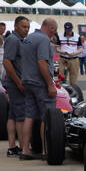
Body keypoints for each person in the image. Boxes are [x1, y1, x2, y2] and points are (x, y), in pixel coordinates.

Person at [16, 18, 58, 161]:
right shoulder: (43, 40)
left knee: (29, 116)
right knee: (47, 116)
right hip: (39, 82)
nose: (54, 34)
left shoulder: (28, 38)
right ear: (51, 28)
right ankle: (46, 150)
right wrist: (50, 84)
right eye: (55, 31)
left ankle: (25, 149)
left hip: (27, 80)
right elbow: (42, 62)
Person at [0, 16, 29, 157]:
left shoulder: (18, 40)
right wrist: (18, 82)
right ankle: (23, 147)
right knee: (21, 116)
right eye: (24, 26)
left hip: (14, 82)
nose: (26, 29)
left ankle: (12, 147)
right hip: (16, 83)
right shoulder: (13, 40)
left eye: (27, 27)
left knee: (13, 115)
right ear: (16, 26)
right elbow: (6, 62)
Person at [57, 22, 84, 87]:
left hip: (74, 59)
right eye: (66, 30)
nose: (68, 32)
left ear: (72, 29)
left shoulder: (77, 36)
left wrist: (74, 53)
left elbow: (80, 49)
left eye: (69, 30)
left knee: (73, 79)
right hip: (63, 58)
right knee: (61, 78)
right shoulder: (60, 36)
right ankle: (62, 92)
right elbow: (57, 48)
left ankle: (73, 92)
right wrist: (62, 52)